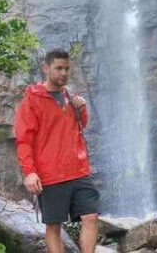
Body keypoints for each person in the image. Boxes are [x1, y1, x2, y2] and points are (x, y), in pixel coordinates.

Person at [14, 49, 99, 253]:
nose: (63, 73)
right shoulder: (32, 100)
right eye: (58, 68)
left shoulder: (70, 97)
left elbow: (78, 127)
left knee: (91, 216)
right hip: (51, 174)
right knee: (54, 225)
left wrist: (81, 110)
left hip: (78, 170)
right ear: (46, 68)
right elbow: (24, 139)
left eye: (66, 69)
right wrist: (30, 171)